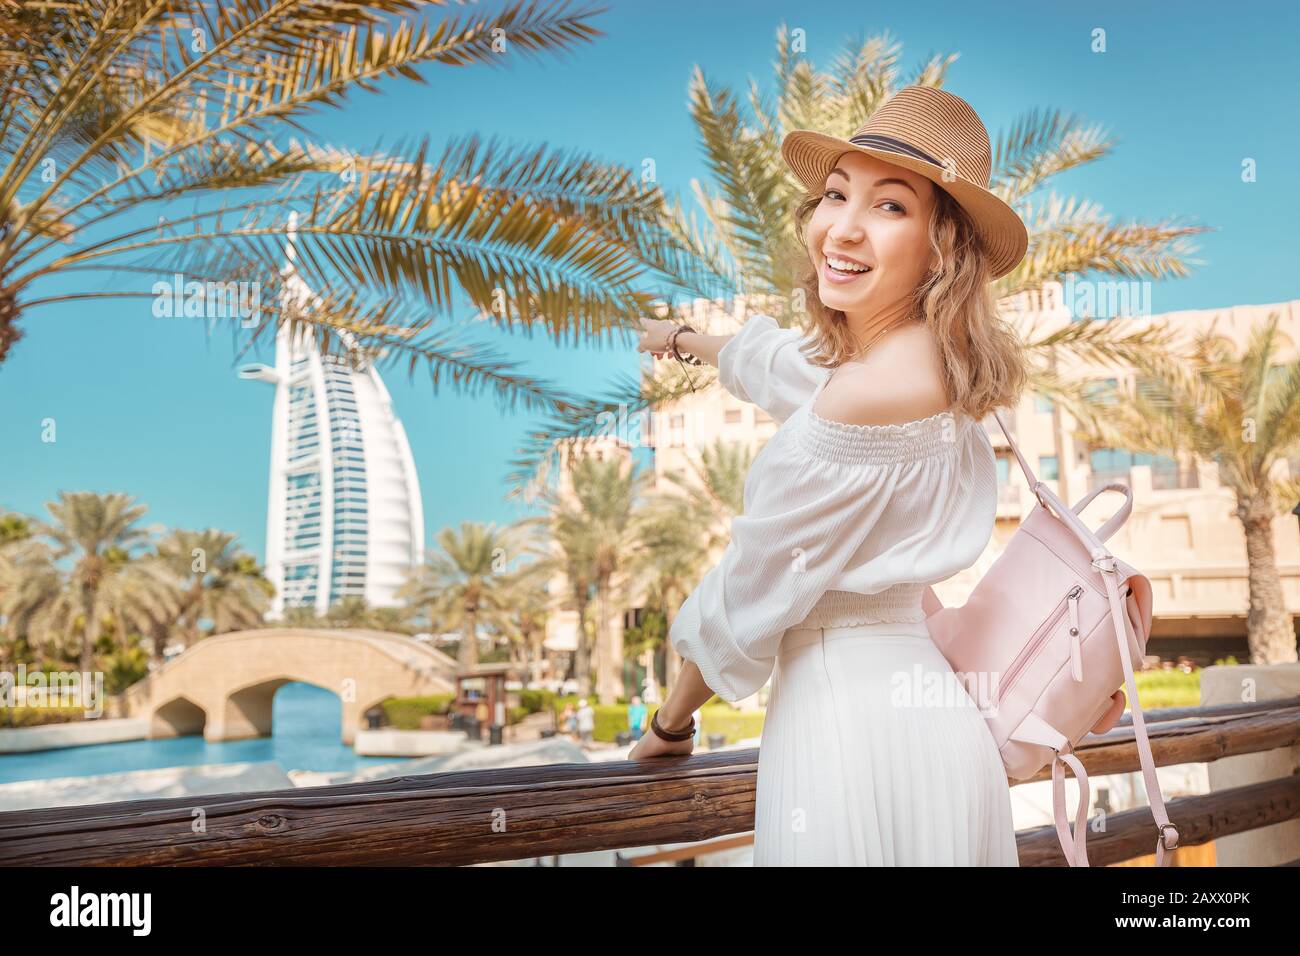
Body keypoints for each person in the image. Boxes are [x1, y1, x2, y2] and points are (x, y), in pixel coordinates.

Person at [630, 85, 1048, 865]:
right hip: (937, 733)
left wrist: (668, 727)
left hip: (845, 732)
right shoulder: (934, 369)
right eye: (834, 194)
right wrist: (683, 338)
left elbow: (747, 595)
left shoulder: (861, 397)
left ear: (941, 244)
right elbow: (784, 366)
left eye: (890, 206)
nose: (842, 228)